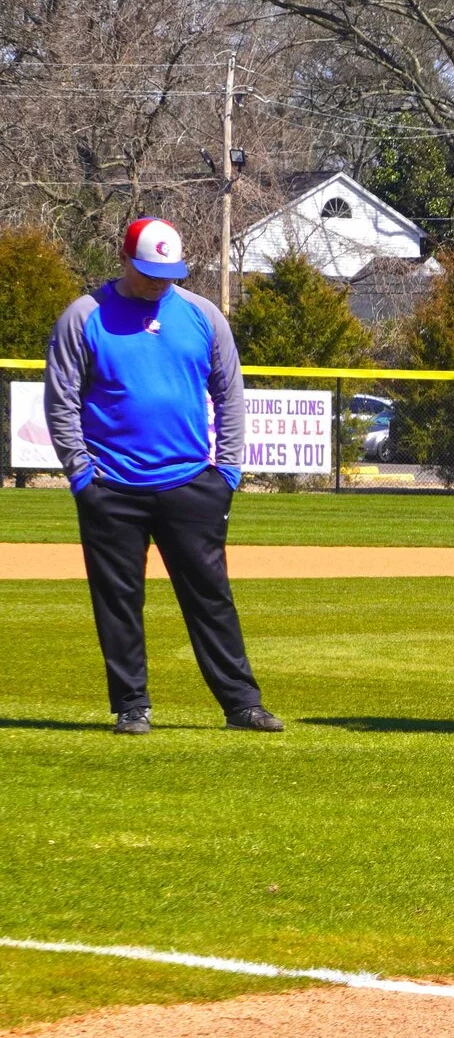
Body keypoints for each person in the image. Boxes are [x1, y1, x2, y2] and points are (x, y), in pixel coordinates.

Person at [44, 218, 283, 736]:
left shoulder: (202, 315)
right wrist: (81, 474)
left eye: (169, 272)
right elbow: (60, 402)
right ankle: (132, 706)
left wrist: (230, 470)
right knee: (118, 601)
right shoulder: (84, 316)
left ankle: (242, 704)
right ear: (124, 260)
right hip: (111, 485)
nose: (159, 281)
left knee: (210, 597)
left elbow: (230, 392)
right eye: (149, 270)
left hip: (192, 483)